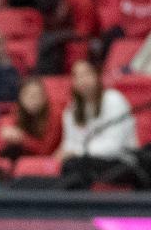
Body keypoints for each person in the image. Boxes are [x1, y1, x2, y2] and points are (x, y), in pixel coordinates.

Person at [60, 58, 140, 186]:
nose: (82, 80)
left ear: (97, 76)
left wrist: (76, 152)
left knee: (74, 166)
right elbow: (69, 143)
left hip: (121, 162)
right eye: (77, 76)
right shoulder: (72, 109)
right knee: (68, 167)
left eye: (86, 74)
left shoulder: (114, 100)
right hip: (85, 161)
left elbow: (113, 146)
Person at [0, 78, 61, 162]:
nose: (33, 99)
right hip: (25, 156)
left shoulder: (54, 115)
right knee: (9, 150)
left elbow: (46, 150)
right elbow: (7, 121)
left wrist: (22, 138)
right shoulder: (18, 110)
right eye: (28, 95)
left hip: (48, 159)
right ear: (20, 97)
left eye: (37, 95)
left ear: (44, 97)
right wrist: (7, 128)